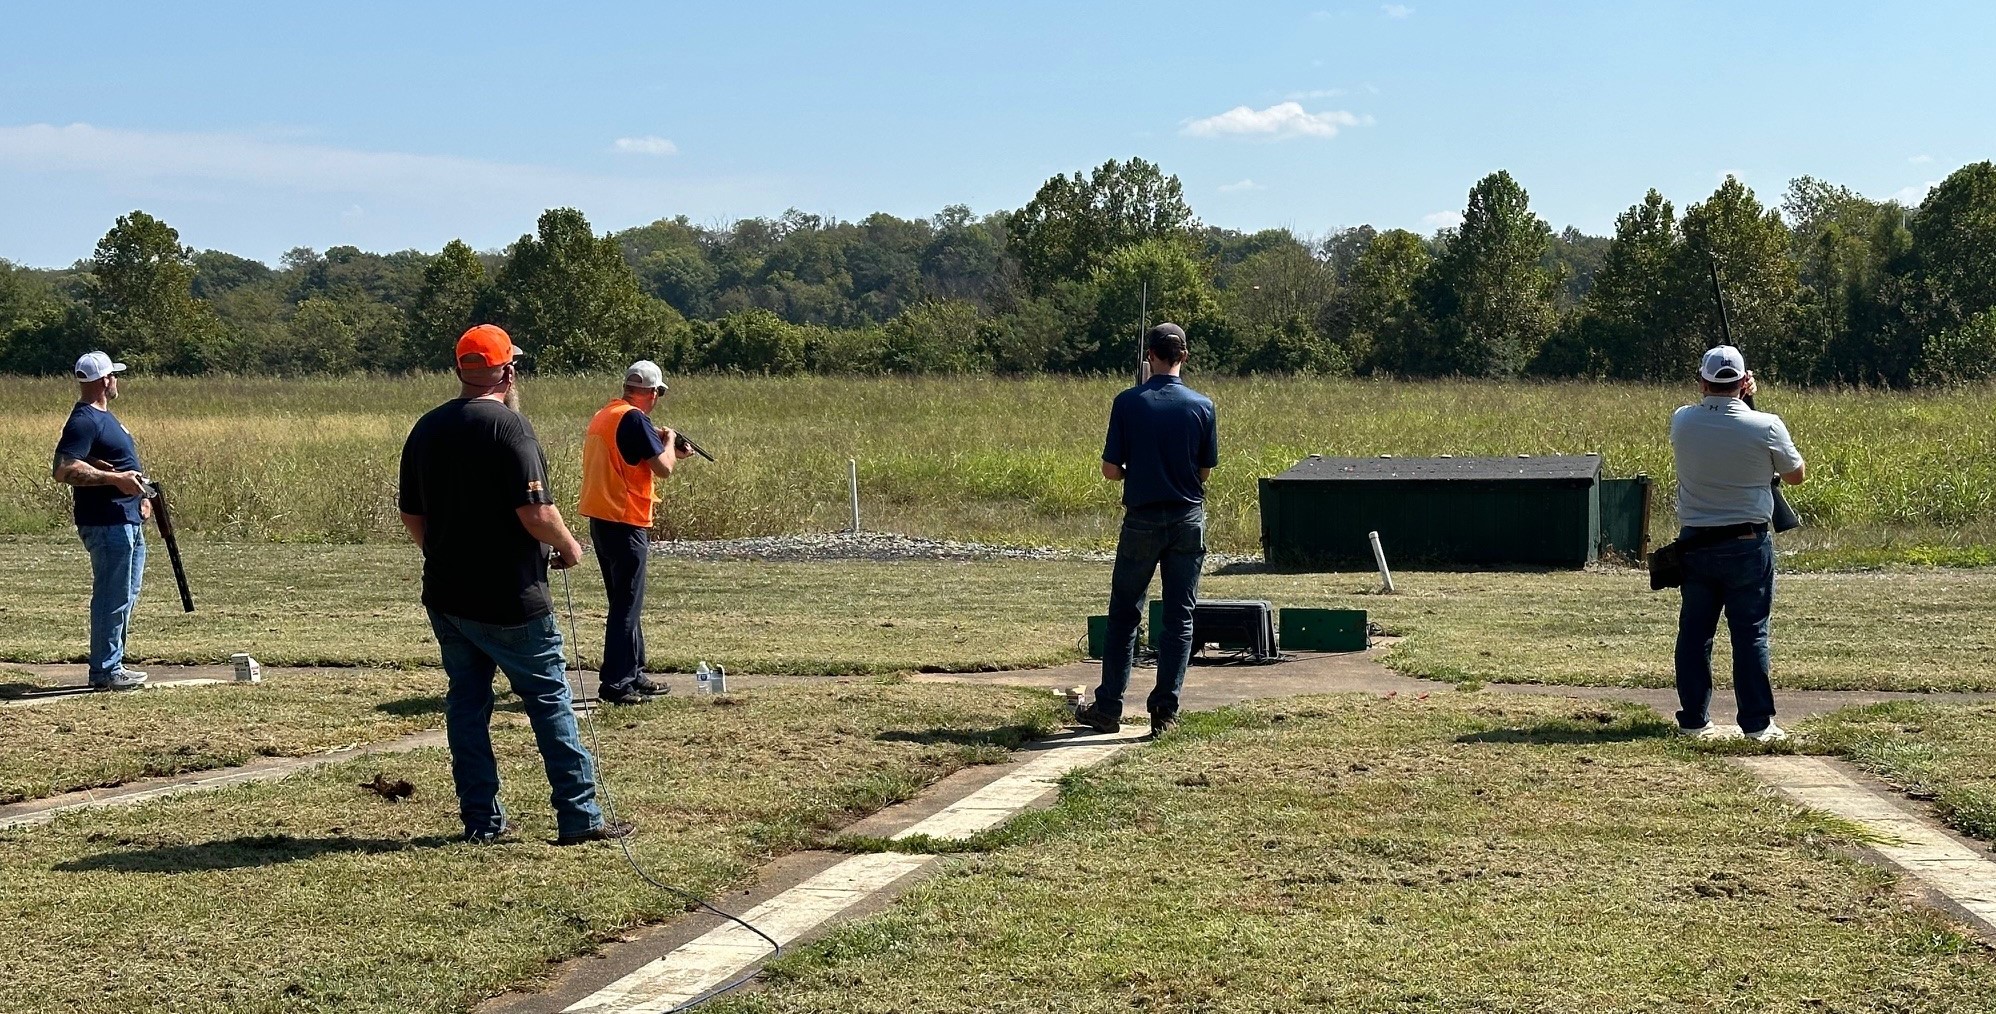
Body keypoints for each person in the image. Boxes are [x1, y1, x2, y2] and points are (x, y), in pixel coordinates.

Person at [397, 324, 628, 844]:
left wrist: (442, 553)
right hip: (512, 598)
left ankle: (482, 822)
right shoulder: (511, 428)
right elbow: (537, 511)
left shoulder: (427, 427)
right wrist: (570, 549)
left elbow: (411, 513)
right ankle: (580, 816)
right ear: (507, 371)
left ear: (460, 370)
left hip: (448, 595)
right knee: (549, 700)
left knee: (466, 705)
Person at [1074, 323, 1218, 740]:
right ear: (1184, 357)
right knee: (1179, 617)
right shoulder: (1202, 406)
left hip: (1141, 520)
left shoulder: (1127, 403)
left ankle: (1109, 706)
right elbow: (1205, 469)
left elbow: (1109, 471)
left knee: (1124, 614)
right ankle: (1164, 711)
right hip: (1188, 518)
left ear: (1148, 356)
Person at [1669, 345, 1807, 743]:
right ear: (1745, 382)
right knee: (1750, 633)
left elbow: (1709, 420)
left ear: (1702, 382)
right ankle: (1758, 725)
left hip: (1694, 542)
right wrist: (1749, 404)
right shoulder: (1767, 425)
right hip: (1748, 543)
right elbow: (1795, 475)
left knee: (1695, 633)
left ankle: (1694, 720)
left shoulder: (1682, 422)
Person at [578, 360, 695, 705]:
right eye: (659, 392)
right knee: (626, 605)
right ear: (652, 392)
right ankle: (615, 683)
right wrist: (671, 442)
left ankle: (633, 671)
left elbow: (633, 457)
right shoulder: (634, 418)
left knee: (623, 601)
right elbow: (663, 468)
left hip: (602, 519)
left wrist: (665, 448)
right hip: (626, 520)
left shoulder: (607, 414)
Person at [52, 351, 152, 691]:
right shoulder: (84, 420)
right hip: (107, 523)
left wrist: (138, 495)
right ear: (105, 380)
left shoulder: (103, 418)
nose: (116, 381)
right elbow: (65, 469)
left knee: (125, 594)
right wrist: (116, 481)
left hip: (126, 518)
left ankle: (114, 664)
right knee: (112, 596)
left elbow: (112, 466)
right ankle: (105, 671)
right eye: (114, 375)